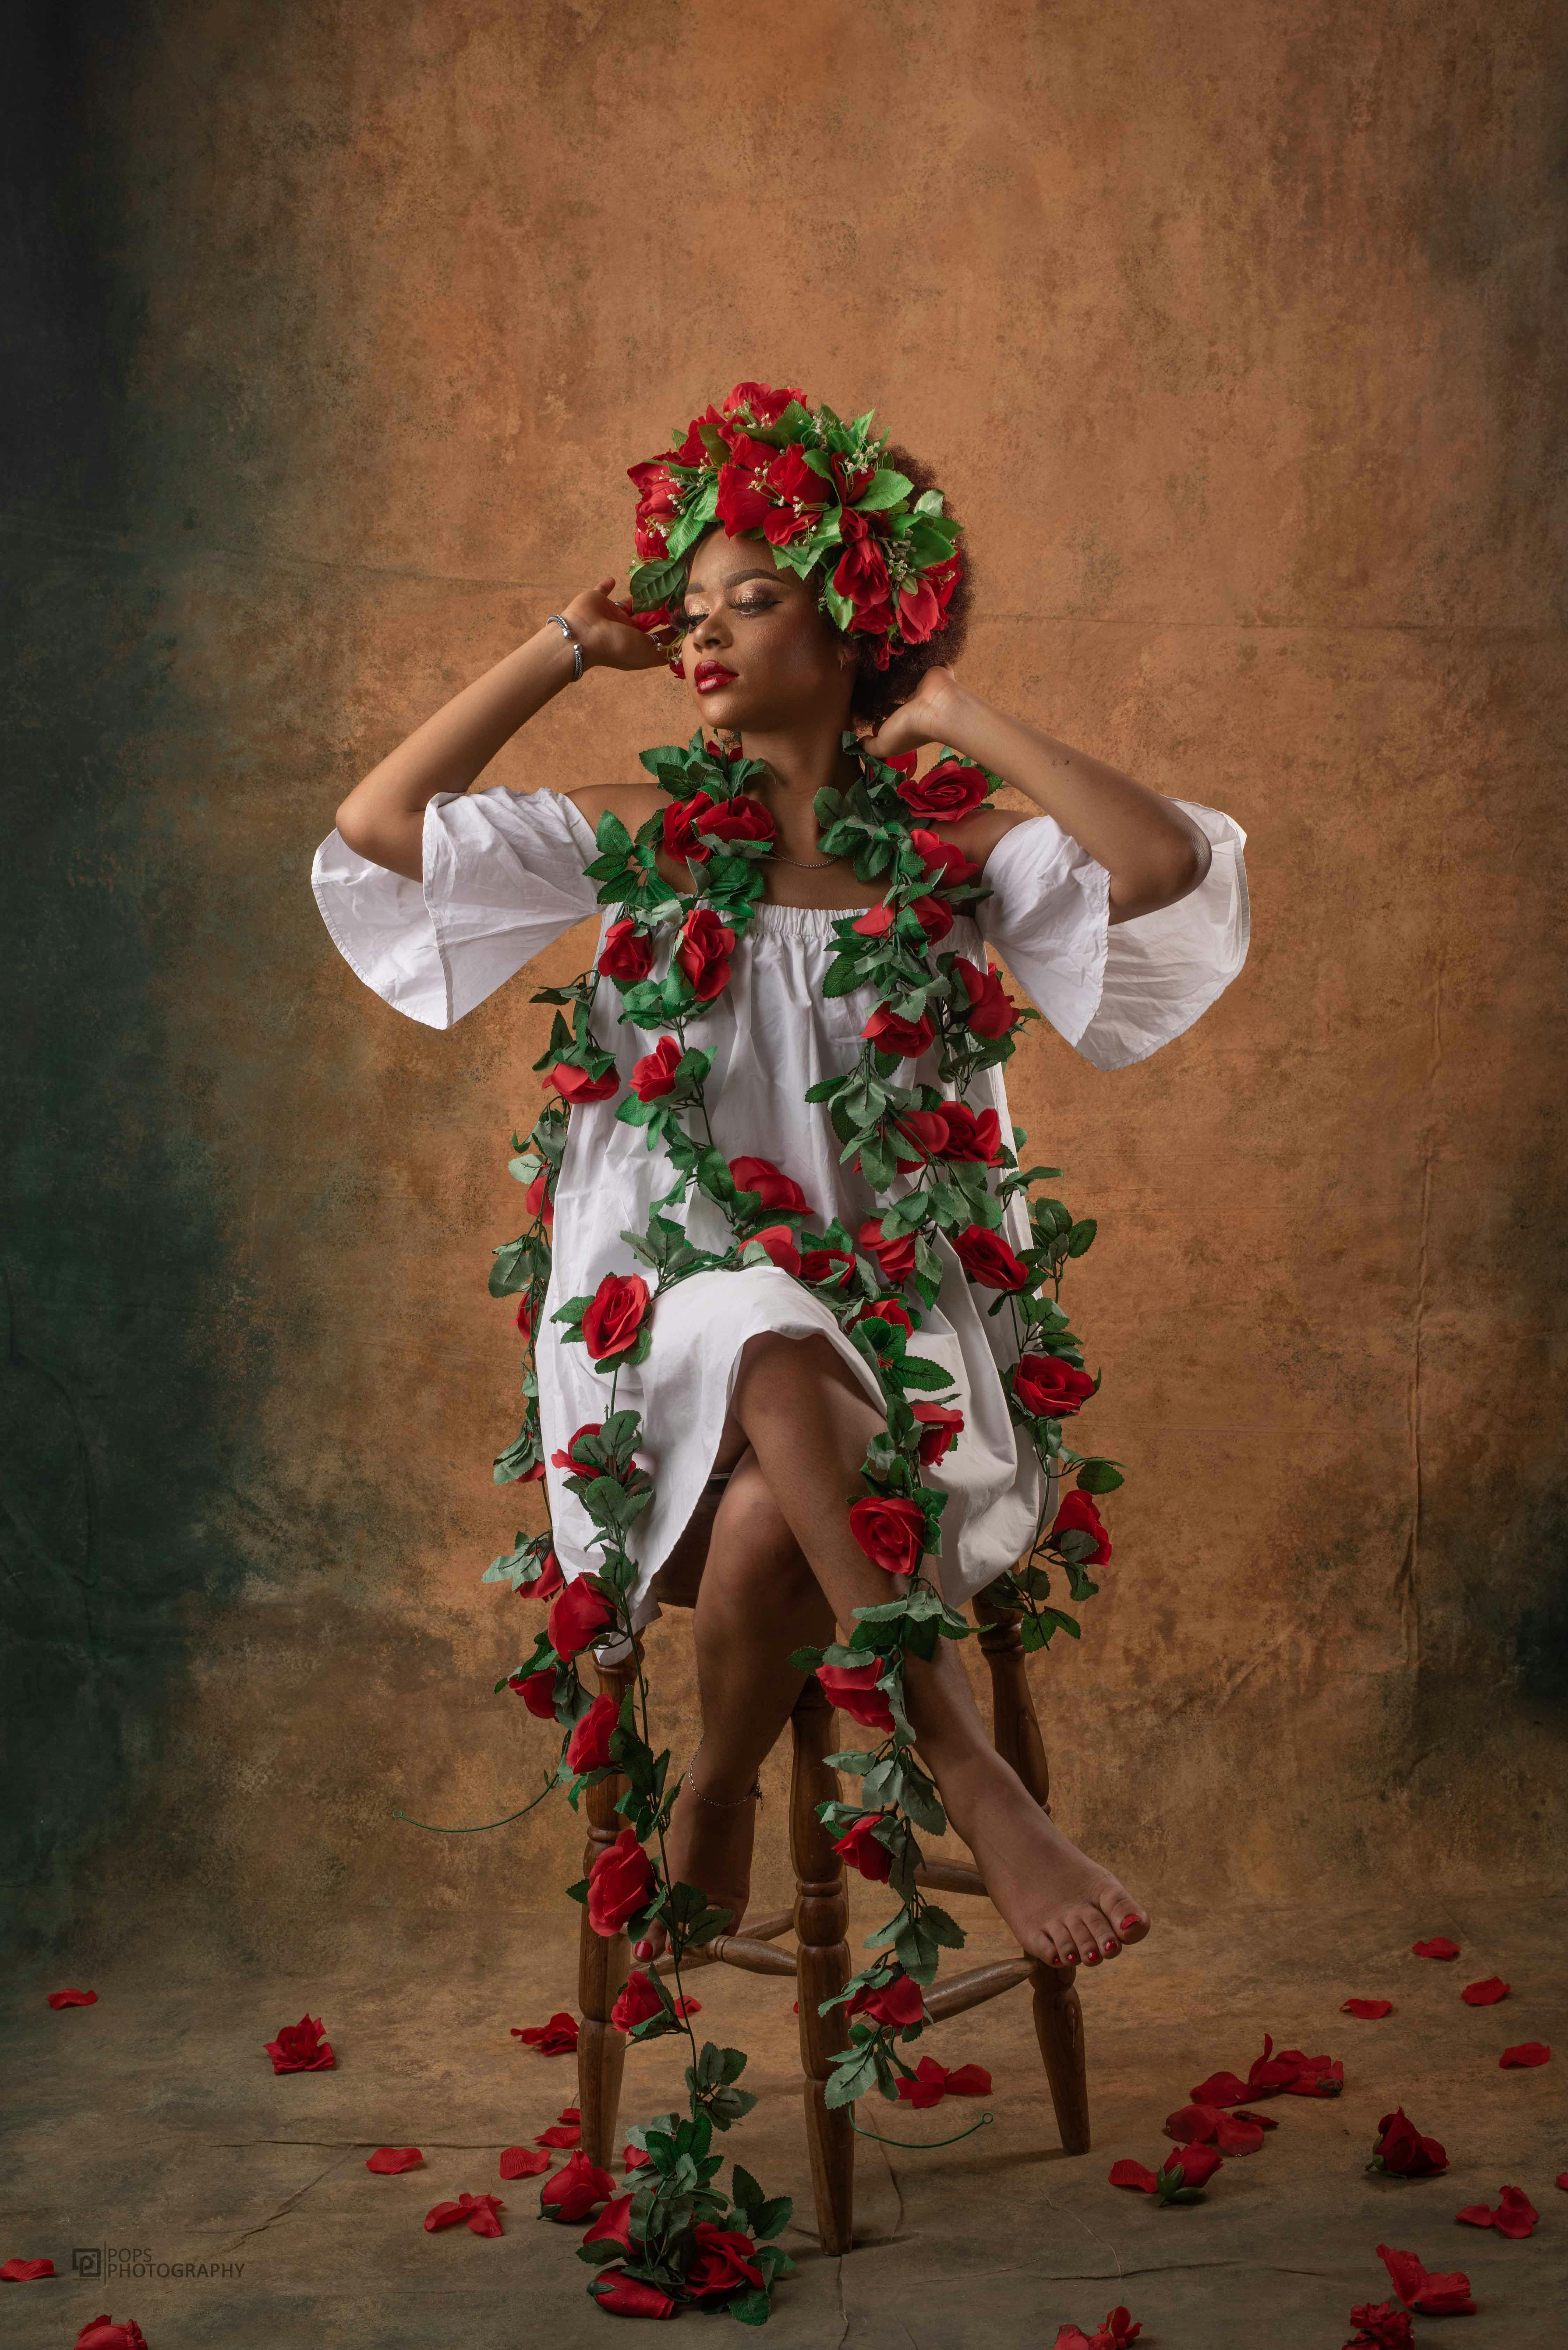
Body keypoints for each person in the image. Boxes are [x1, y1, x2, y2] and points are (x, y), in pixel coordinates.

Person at [312, 384, 1249, 1984]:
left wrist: (953, 712)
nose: (701, 630)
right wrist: (562, 644)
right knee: (747, 1311)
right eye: (689, 607)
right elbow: (379, 824)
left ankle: (725, 1783)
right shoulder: (647, 845)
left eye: (754, 596)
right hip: (654, 1349)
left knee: (767, 1517)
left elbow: (1161, 869)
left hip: (901, 1366)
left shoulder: (950, 869)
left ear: (856, 619)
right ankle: (968, 1763)